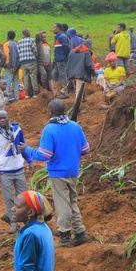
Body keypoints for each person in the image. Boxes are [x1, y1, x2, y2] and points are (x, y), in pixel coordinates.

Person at [22, 99, 91, 247]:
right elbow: (85, 149)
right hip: (73, 171)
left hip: (58, 173)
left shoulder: (50, 129)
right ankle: (80, 232)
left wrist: (28, 150)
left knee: (62, 204)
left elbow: (44, 155)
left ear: (51, 112)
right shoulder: (75, 126)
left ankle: (65, 235)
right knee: (72, 201)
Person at [0, 111, 30, 232]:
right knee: (9, 198)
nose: (2, 120)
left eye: (4, 118)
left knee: (23, 197)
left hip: (19, 168)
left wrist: (29, 161)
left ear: (8, 118)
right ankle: (13, 223)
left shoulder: (17, 130)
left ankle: (26, 220)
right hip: (4, 171)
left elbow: (23, 145)